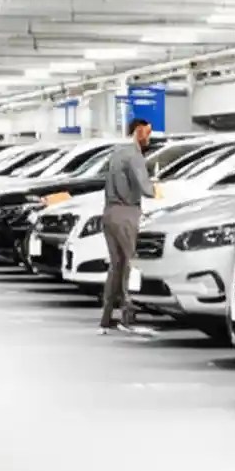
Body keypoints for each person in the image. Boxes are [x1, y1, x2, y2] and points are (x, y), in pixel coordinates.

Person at [99, 118, 156, 335]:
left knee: (116, 266)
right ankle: (127, 317)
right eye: (147, 133)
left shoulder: (116, 153)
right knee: (129, 264)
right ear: (139, 131)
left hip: (109, 212)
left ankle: (106, 319)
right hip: (127, 213)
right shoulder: (134, 155)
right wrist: (159, 190)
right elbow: (145, 187)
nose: (148, 138)